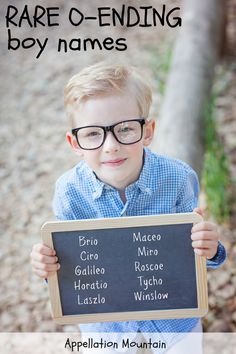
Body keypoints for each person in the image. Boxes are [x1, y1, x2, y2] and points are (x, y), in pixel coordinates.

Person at [30, 62, 226, 353]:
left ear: (148, 131)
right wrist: (48, 267)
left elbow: (193, 257)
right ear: (75, 143)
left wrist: (209, 249)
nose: (110, 145)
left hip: (173, 320)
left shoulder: (178, 178)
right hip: (106, 326)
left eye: (125, 129)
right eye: (93, 134)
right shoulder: (69, 192)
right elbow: (72, 269)